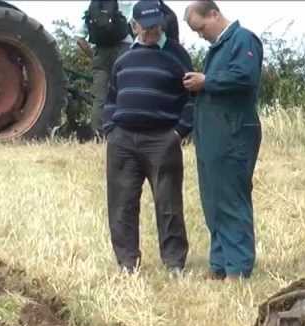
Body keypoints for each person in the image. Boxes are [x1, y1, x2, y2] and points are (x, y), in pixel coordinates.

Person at [101, 0, 194, 274]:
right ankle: (127, 263)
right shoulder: (123, 58)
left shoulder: (178, 55)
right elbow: (111, 98)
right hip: (123, 140)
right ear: (134, 26)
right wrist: (110, 128)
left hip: (162, 140)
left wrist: (178, 132)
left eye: (156, 26)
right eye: (146, 27)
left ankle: (174, 263)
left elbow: (191, 99)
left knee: (169, 205)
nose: (152, 32)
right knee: (121, 204)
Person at [183, 0, 264, 281]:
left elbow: (245, 77)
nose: (200, 35)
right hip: (212, 135)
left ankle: (238, 268)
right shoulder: (218, 47)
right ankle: (219, 265)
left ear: (214, 14)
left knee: (231, 198)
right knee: (213, 199)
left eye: (201, 27)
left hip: (234, 134)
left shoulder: (243, 39)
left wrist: (206, 82)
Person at [82, 0, 131, 138]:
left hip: (100, 52)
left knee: (100, 98)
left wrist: (94, 57)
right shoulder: (127, 4)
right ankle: (124, 132)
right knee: (125, 92)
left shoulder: (94, 7)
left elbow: (80, 39)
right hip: (123, 49)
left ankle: (98, 134)